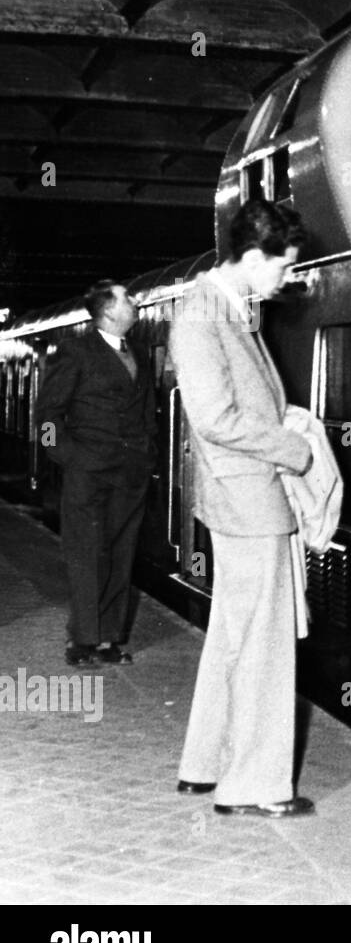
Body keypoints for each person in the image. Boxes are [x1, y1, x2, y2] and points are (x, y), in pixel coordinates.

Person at [168, 198, 315, 818]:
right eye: (282, 267)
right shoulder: (202, 315)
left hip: (245, 495)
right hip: (246, 498)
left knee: (234, 634)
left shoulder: (231, 308)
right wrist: (292, 448)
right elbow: (215, 418)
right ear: (252, 259)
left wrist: (285, 421)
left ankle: (206, 765)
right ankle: (253, 787)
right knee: (264, 645)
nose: (285, 279)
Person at [36, 280, 156, 666]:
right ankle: (82, 641)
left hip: (130, 473)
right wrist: (67, 456)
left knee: (121, 554)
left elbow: (146, 413)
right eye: (127, 298)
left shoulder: (138, 352)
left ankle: (108, 640)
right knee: (88, 555)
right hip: (89, 472)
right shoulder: (75, 352)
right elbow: (47, 417)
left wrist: (148, 453)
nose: (135, 303)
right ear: (108, 311)